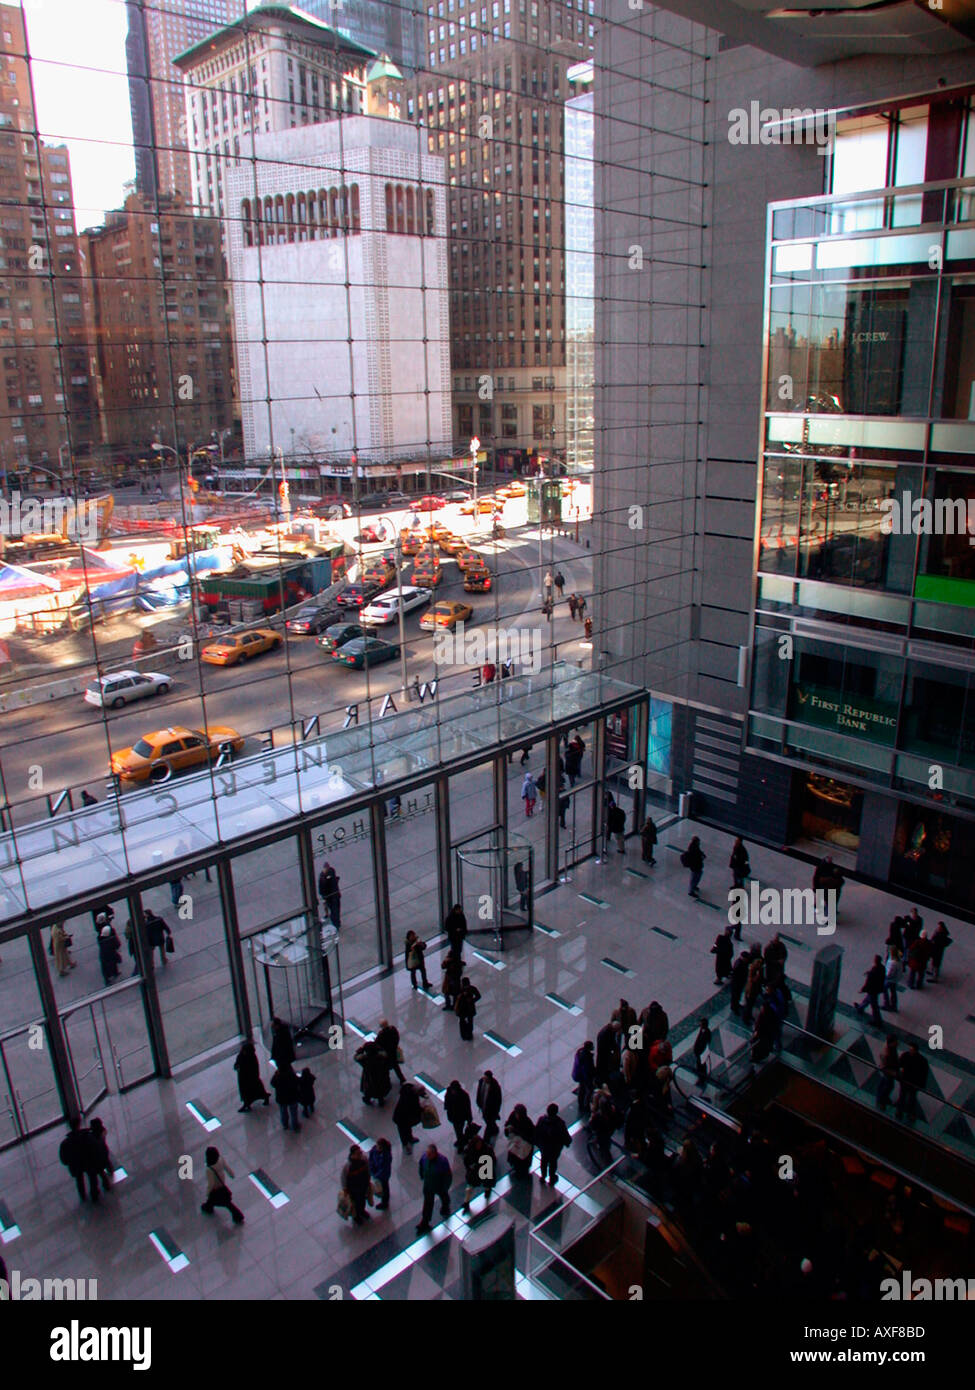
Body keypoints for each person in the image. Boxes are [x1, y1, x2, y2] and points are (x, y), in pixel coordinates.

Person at [201, 1146, 244, 1225]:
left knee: (219, 1201)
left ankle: (208, 1208)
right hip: (222, 1184)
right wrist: (232, 1175)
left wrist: (208, 1192)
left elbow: (211, 1183)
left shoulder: (209, 1169)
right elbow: (227, 1168)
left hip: (216, 1188)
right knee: (226, 1203)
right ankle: (237, 1216)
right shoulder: (221, 1159)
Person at [60, 1118, 98, 1203]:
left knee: (79, 1180)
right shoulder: (86, 1136)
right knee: (92, 1176)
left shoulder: (66, 1143)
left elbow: (64, 1159)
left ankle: (82, 1195)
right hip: (87, 1160)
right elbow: (93, 1147)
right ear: (79, 1124)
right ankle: (94, 1193)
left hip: (75, 1165)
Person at [416, 1144, 452, 1233]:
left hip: (439, 1185)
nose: (427, 1156)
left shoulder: (442, 1161)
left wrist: (445, 1187)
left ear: (435, 1153)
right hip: (428, 1184)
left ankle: (445, 1206)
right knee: (428, 1203)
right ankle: (425, 1221)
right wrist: (422, 1175)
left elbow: (447, 1175)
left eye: (429, 1154)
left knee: (444, 1196)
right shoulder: (425, 1157)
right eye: (427, 1154)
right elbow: (421, 1165)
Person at [461, 1125, 496, 1215]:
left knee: (487, 1182)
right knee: (469, 1188)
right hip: (475, 1172)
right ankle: (466, 1203)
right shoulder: (470, 1150)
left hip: (485, 1170)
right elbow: (466, 1161)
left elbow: (492, 1159)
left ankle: (487, 1190)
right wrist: (470, 1168)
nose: (479, 1145)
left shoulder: (487, 1149)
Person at [534, 1102, 571, 1186]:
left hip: (544, 1147)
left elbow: (536, 1132)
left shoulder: (542, 1120)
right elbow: (564, 1135)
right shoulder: (560, 1123)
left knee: (543, 1161)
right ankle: (552, 1178)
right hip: (555, 1149)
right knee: (553, 1163)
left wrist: (537, 1142)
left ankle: (543, 1176)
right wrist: (567, 1142)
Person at [234, 1039, 271, 1111]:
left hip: (251, 1078)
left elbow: (255, 1069)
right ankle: (247, 1104)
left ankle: (250, 1103)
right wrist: (237, 1067)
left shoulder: (251, 1057)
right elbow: (237, 1063)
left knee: (254, 1091)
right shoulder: (241, 1055)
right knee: (246, 1092)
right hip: (243, 1078)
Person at [340, 1145, 372, 1227]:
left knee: (362, 1201)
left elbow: (368, 1170)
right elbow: (343, 1178)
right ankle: (356, 1216)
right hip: (353, 1189)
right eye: (358, 1153)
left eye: (360, 1153)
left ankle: (362, 1211)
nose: (360, 1155)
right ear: (352, 1155)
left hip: (363, 1186)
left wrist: (368, 1181)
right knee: (355, 1203)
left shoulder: (364, 1159)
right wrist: (345, 1189)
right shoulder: (347, 1166)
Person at [896, 1042, 928, 1120]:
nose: (910, 1051)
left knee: (911, 1098)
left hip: (912, 1082)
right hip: (906, 1080)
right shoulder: (920, 1059)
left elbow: (924, 1074)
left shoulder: (920, 1060)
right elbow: (899, 1064)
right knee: (903, 1096)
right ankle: (901, 1111)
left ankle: (907, 1112)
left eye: (912, 1050)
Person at [354, 1039, 392, 1106]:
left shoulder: (365, 1059)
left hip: (369, 1078)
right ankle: (381, 1101)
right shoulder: (381, 1058)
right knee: (380, 1089)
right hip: (381, 1077)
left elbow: (356, 1057)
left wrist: (361, 1050)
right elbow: (386, 1056)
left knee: (369, 1090)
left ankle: (367, 1099)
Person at [504, 1104, 535, 1178]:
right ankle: (516, 1169)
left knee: (522, 1163)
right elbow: (508, 1124)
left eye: (517, 1114)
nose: (516, 1115)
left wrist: (516, 1132)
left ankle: (521, 1172)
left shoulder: (528, 1123)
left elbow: (531, 1137)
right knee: (515, 1160)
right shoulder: (513, 1116)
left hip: (522, 1148)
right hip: (516, 1145)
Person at [854, 956, 885, 1028]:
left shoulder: (874, 971)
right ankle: (860, 1008)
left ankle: (877, 1020)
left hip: (872, 990)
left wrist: (862, 989)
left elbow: (868, 982)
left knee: (874, 1005)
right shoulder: (882, 968)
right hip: (877, 989)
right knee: (867, 999)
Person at [271, 1060, 301, 1132]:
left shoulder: (277, 1075)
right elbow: (297, 1082)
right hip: (292, 1097)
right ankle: (295, 1126)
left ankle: (285, 1125)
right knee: (293, 1112)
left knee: (283, 1111)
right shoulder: (291, 1075)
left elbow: (273, 1083)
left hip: (281, 1098)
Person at [393, 1081, 423, 1151]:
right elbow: (415, 1108)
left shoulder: (408, 1090)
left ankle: (410, 1138)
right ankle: (405, 1145)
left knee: (408, 1129)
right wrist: (422, 1109)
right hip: (402, 1118)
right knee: (403, 1132)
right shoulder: (411, 1098)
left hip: (404, 1117)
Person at [86, 1117, 114, 1193]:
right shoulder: (102, 1132)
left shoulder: (92, 1137)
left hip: (97, 1157)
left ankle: (107, 1185)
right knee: (107, 1162)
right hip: (104, 1152)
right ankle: (111, 1171)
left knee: (101, 1172)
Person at [444, 1079, 473, 1149]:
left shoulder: (464, 1095)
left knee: (459, 1130)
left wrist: (469, 1119)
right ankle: (461, 1140)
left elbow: (467, 1108)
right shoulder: (449, 1092)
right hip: (453, 1116)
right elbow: (447, 1102)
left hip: (460, 1117)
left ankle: (461, 1143)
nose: (453, 1091)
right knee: (457, 1130)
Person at [476, 1068, 503, 1142]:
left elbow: (498, 1101)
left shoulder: (495, 1087)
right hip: (483, 1107)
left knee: (489, 1124)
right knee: (488, 1121)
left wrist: (496, 1112)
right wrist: (479, 1103)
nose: (484, 1079)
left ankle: (486, 1139)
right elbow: (479, 1093)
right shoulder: (481, 1082)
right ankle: (495, 1129)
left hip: (491, 1110)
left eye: (486, 1078)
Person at [376, 1019, 405, 1084]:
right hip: (393, 1051)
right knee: (396, 1066)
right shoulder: (393, 1029)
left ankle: (387, 1081)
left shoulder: (381, 1034)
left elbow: (378, 1043)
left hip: (387, 1053)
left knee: (386, 1067)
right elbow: (397, 1037)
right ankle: (402, 1078)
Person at [572, 1040, 596, 1115]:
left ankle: (581, 1104)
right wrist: (589, 1080)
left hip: (579, 1075)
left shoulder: (580, 1053)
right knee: (588, 1090)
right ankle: (586, 1105)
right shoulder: (587, 1057)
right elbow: (587, 1070)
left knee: (582, 1090)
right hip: (584, 1077)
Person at [368, 1138, 392, 1211]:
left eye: (380, 1147)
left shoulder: (386, 1156)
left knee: (385, 1187)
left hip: (383, 1176)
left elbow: (384, 1168)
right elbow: (371, 1160)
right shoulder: (374, 1150)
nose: (378, 1148)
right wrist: (372, 1170)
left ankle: (385, 1202)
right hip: (377, 1173)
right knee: (382, 1186)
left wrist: (376, 1175)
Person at [877, 1036, 899, 1110]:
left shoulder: (890, 1047)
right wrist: (893, 1072)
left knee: (885, 1083)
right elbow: (884, 1065)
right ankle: (882, 1101)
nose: (897, 1043)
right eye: (895, 1042)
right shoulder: (887, 1053)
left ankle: (882, 1099)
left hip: (889, 1069)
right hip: (888, 1070)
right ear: (891, 1043)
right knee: (889, 1085)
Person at [318, 863, 341, 930]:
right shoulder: (324, 876)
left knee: (335, 910)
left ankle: (336, 923)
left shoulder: (325, 875)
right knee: (334, 910)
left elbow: (323, 887)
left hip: (332, 896)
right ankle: (336, 923)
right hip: (331, 896)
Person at [97, 923, 122, 987]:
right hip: (110, 955)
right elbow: (117, 945)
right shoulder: (110, 939)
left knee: (105, 968)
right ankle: (113, 975)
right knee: (112, 965)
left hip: (104, 956)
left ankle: (108, 978)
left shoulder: (100, 939)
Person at [441, 948, 465, 1013]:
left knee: (453, 993)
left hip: (453, 979)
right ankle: (450, 1005)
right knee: (448, 993)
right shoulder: (449, 961)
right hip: (450, 979)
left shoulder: (457, 963)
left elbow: (459, 971)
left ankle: (452, 1005)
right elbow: (443, 966)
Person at [729, 951, 749, 1016]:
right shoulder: (739, 964)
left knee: (737, 995)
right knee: (735, 996)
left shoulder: (742, 963)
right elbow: (736, 975)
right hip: (736, 983)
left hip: (739, 983)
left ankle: (736, 1005)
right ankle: (734, 1008)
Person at [882, 948, 902, 1013]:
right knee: (893, 992)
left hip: (890, 980)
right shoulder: (898, 960)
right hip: (895, 979)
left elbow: (890, 973)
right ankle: (894, 1005)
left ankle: (886, 1004)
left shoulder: (893, 962)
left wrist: (885, 976)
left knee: (884, 989)